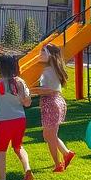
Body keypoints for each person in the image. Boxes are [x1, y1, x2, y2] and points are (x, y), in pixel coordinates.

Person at [0, 55, 33, 180]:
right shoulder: (20, 82)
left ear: (0, 68)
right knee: (18, 146)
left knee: (1, 151)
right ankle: (27, 168)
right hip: (20, 119)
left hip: (4, 121)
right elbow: (27, 103)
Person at [30, 44, 75, 172]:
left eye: (43, 52)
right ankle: (66, 154)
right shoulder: (53, 68)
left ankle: (58, 164)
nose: (40, 55)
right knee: (49, 135)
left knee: (50, 137)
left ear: (50, 55)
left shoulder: (48, 70)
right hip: (56, 102)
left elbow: (49, 90)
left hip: (51, 104)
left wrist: (32, 90)